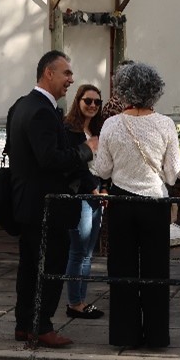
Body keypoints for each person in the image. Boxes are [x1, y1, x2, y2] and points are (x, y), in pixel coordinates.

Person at [8, 51, 99, 348]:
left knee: (30, 267)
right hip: (46, 207)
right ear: (49, 73)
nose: (71, 80)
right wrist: (86, 150)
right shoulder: (40, 111)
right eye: (66, 73)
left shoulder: (21, 106)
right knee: (49, 266)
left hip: (28, 204)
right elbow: (49, 159)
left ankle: (25, 323)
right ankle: (41, 325)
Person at [92, 61, 180, 349]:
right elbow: (172, 172)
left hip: (121, 202)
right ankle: (157, 336)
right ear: (154, 90)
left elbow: (102, 170)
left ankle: (124, 335)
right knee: (156, 270)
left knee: (122, 269)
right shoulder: (165, 124)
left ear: (123, 90)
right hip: (155, 202)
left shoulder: (111, 124)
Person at [63, 83, 107, 320]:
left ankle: (80, 300)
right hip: (81, 192)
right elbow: (75, 166)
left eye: (97, 102)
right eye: (87, 101)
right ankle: (74, 303)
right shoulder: (70, 130)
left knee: (89, 251)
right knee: (78, 250)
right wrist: (93, 188)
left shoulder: (99, 130)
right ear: (78, 101)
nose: (92, 105)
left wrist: (104, 187)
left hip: (97, 190)